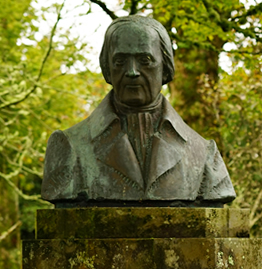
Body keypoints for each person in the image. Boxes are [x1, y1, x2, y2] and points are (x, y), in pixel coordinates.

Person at [41, 15, 236, 206]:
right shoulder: (69, 146)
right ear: (107, 68)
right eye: (120, 61)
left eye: (145, 60)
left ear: (165, 67)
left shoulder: (204, 155)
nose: (132, 71)